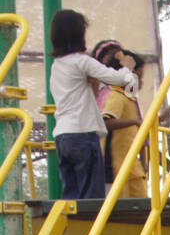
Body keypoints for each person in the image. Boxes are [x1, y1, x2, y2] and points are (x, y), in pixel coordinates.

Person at [48, 11, 137, 199]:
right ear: (78, 35)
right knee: (90, 197)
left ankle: (70, 227)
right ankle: (90, 228)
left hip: (62, 136)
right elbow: (118, 79)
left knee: (71, 196)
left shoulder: (56, 66)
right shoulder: (82, 62)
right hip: (83, 134)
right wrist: (127, 66)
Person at [96, 46, 149, 198]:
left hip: (131, 167)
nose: (141, 82)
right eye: (138, 77)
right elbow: (106, 122)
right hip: (115, 169)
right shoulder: (116, 96)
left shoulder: (130, 100)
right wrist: (134, 121)